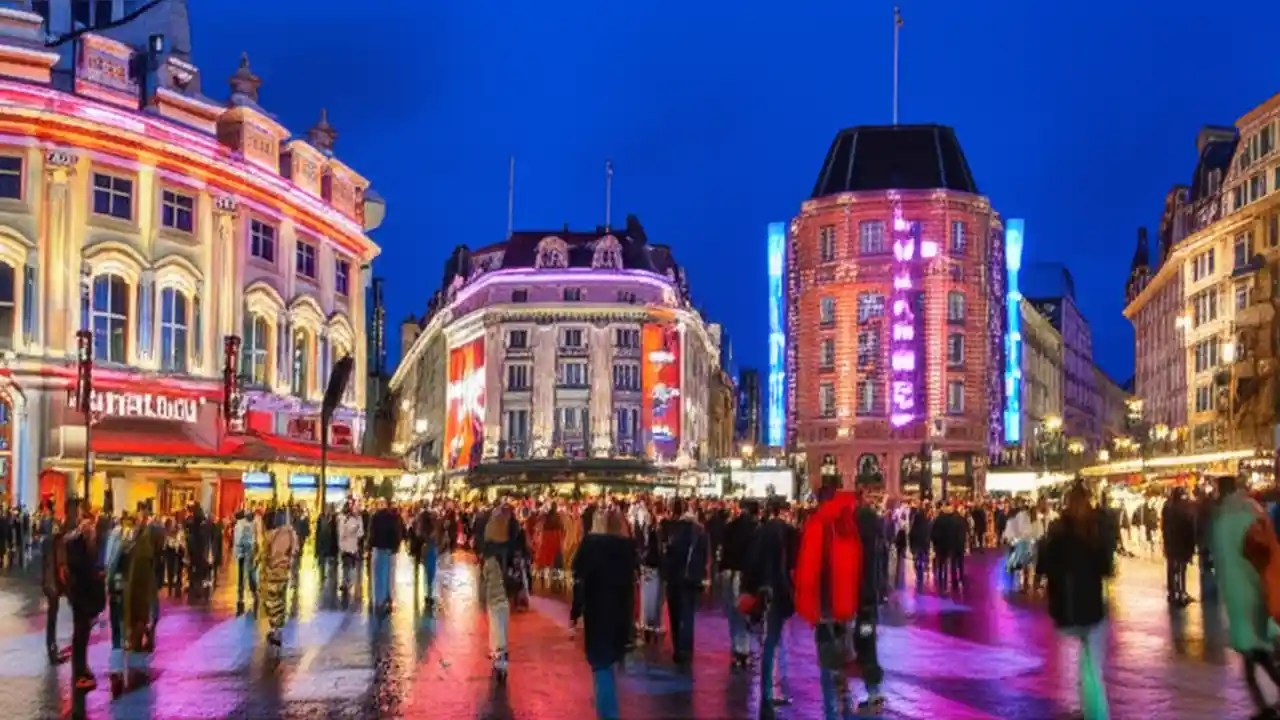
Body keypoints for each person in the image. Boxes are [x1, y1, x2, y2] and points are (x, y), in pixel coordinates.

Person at [1035, 483, 1112, 719]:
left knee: (1086, 663)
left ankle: (1090, 707)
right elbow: (1105, 567)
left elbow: (1045, 562)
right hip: (1091, 605)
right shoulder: (1094, 529)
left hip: (1067, 607)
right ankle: (1098, 713)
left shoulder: (1059, 531)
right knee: (1093, 664)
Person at [1212, 475, 1280, 719]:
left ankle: (1263, 707)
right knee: (1258, 651)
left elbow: (1218, 558)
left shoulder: (1221, 519)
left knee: (1253, 653)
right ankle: (1263, 707)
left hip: (1237, 594)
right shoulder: (1254, 509)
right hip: (1259, 587)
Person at [794, 483, 863, 720]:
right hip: (844, 606)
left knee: (827, 664)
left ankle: (833, 712)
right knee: (842, 658)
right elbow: (856, 565)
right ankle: (845, 704)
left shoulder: (817, 526)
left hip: (825, 607)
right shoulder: (847, 526)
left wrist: (806, 604)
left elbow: (809, 570)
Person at [571, 509, 637, 719]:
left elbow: (579, 580)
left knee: (601, 668)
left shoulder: (591, 546)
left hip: (597, 612)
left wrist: (576, 612)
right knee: (608, 666)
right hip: (620, 613)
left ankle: (608, 714)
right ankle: (607, 711)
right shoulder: (628, 548)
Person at [742, 497, 798, 713]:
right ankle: (775, 691)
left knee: (769, 643)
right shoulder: (787, 532)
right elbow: (790, 565)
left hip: (764, 591)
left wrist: (752, 588)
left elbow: (752, 563)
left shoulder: (761, 531)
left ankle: (767, 693)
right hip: (780, 590)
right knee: (778, 642)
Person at [662, 498, 708, 667]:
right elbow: (704, 557)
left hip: (674, 578)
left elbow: (668, 555)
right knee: (688, 614)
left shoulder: (673, 531)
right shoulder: (700, 532)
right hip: (691, 578)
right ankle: (686, 648)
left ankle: (678, 648)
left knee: (675, 614)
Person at [64, 510, 105, 691]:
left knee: (83, 634)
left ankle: (81, 667)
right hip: (80, 596)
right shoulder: (75, 544)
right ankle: (79, 671)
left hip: (84, 596)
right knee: (80, 635)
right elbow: (80, 570)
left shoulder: (89, 542)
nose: (90, 528)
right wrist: (96, 576)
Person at [480, 503, 519, 677]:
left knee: (495, 622)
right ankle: (499, 654)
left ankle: (499, 654)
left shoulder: (489, 550)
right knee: (502, 621)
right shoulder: (509, 545)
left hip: (494, 592)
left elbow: (485, 576)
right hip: (506, 591)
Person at [720, 500, 759, 669]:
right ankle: (744, 650)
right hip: (743, 575)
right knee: (744, 613)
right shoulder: (756, 529)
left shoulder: (730, 526)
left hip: (727, 572)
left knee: (733, 614)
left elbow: (722, 549)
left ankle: (736, 649)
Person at [260, 508, 297, 648]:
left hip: (272, 572)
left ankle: (274, 630)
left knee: (272, 601)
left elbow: (264, 554)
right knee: (281, 600)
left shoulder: (271, 535)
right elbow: (294, 551)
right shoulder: (290, 534)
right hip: (284, 572)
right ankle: (278, 630)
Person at [40, 502, 67, 665]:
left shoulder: (49, 540)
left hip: (50, 583)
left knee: (52, 617)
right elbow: (54, 564)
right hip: (53, 584)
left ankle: (52, 647)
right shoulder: (54, 542)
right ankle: (52, 648)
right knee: (52, 617)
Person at [369, 499, 403, 615]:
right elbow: (397, 533)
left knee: (379, 577)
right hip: (388, 550)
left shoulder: (375, 517)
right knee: (388, 575)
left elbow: (372, 534)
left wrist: (369, 546)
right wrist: (395, 547)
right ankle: (386, 599)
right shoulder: (392, 517)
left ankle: (379, 601)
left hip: (378, 549)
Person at [232, 510, 257, 613]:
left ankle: (241, 593)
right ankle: (252, 590)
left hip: (241, 554)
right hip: (248, 553)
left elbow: (238, 540)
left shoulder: (239, 526)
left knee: (241, 574)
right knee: (250, 572)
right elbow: (249, 540)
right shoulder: (249, 525)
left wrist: (237, 551)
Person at [338, 501, 364, 595]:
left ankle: (349, 583)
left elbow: (360, 533)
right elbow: (341, 533)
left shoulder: (358, 519)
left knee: (352, 566)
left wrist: (354, 531)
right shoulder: (343, 519)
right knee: (345, 566)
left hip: (353, 546)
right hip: (345, 546)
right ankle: (345, 583)